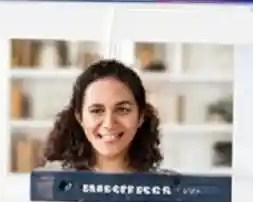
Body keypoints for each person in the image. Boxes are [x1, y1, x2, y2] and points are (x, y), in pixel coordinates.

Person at [38, 58, 166, 174]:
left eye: (122, 109)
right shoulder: (54, 182)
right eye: (96, 111)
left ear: (140, 117)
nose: (109, 124)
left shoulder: (165, 187)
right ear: (79, 117)